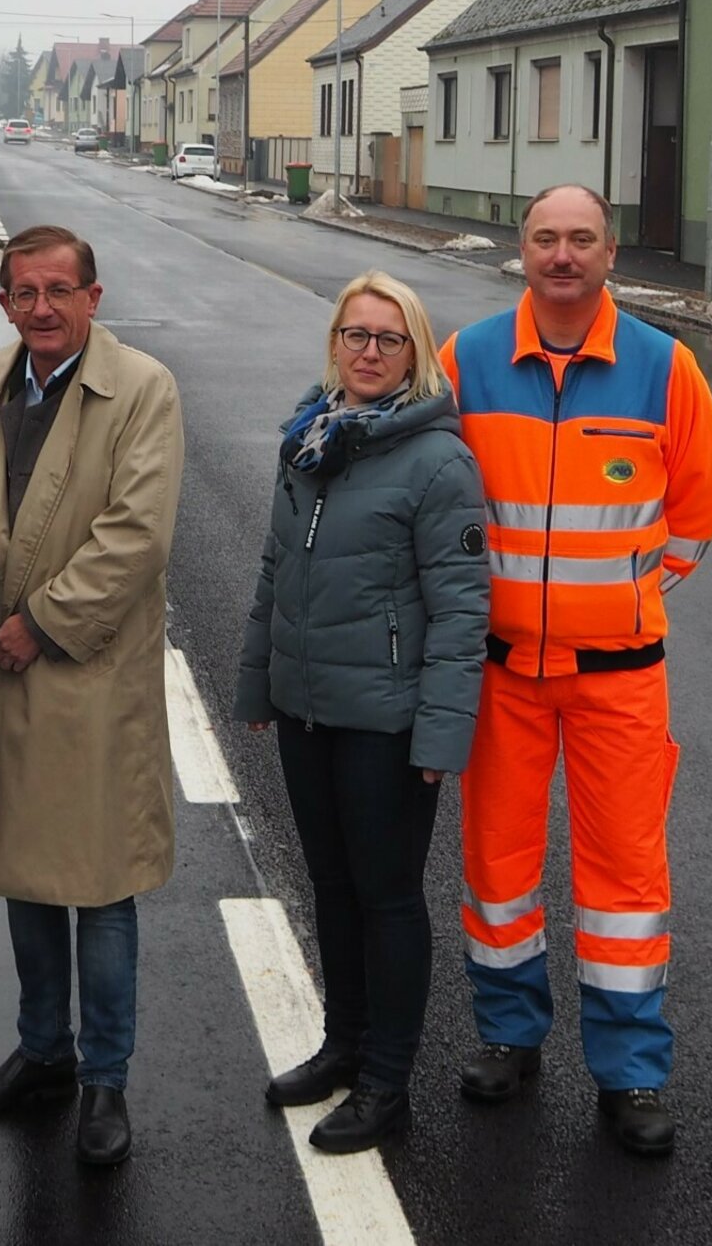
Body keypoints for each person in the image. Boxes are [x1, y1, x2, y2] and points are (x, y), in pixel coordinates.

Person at [440, 184, 712, 1157]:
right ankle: (507, 1035)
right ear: (517, 251)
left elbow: (695, 506)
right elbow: (428, 493)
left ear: (610, 254)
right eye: (542, 239)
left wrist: (633, 594)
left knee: (623, 881)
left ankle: (630, 1070)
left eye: (579, 240)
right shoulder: (466, 360)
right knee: (497, 867)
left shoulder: (662, 366)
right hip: (500, 672)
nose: (560, 256)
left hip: (618, 675)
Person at [0, 224, 183, 1167]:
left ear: (93, 296)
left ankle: (105, 1078)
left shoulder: (144, 389)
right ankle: (43, 1052)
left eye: (59, 291)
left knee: (100, 886)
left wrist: (41, 621)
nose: (42, 308)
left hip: (89, 672)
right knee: (25, 873)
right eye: (24, 293)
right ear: (4, 303)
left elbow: (136, 535)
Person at [233, 271, 489, 1153]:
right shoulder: (307, 440)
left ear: (414, 351)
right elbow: (275, 567)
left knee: (386, 898)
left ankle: (387, 1080)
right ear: (334, 342)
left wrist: (443, 730)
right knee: (332, 888)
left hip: (386, 720)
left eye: (389, 338)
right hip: (309, 707)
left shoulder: (438, 460)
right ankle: (342, 1046)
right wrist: (257, 680)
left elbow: (461, 609)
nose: (369, 351)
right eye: (355, 334)